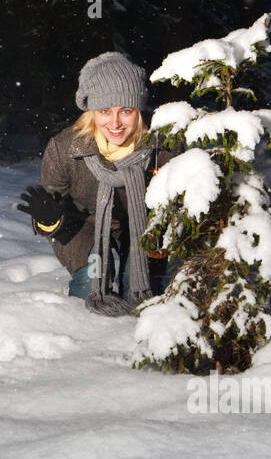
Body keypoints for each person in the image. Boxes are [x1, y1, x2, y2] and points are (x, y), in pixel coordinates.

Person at [18, 51, 179, 316]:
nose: (115, 123)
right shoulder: (65, 148)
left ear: (138, 112)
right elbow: (50, 225)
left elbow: (184, 209)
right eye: (105, 111)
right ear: (92, 112)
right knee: (92, 285)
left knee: (140, 289)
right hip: (83, 226)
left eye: (125, 111)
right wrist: (49, 219)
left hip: (147, 226)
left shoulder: (162, 146)